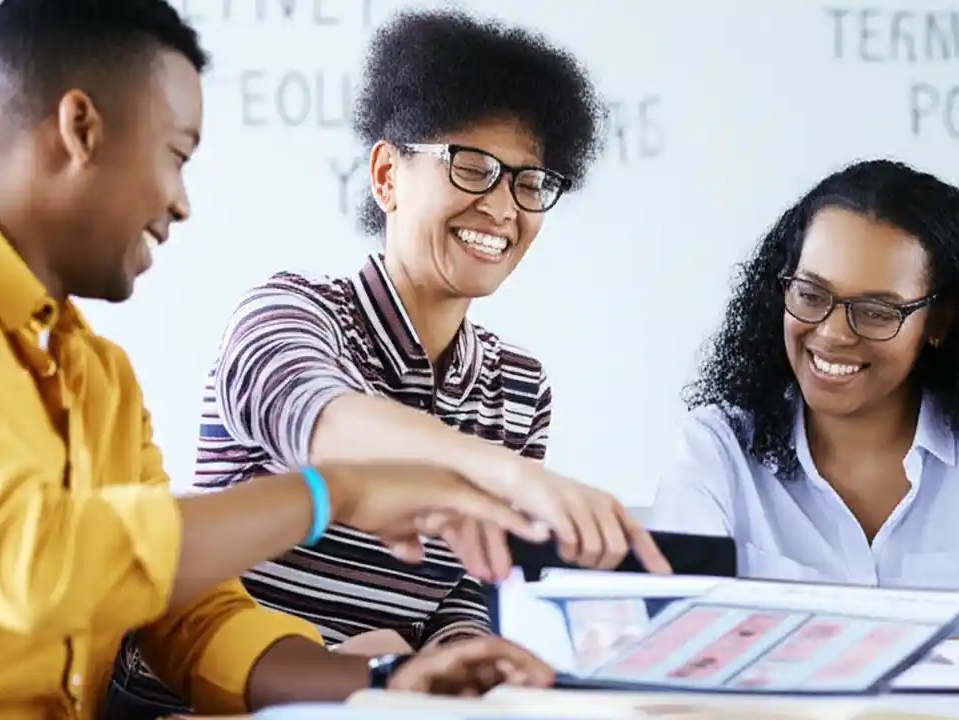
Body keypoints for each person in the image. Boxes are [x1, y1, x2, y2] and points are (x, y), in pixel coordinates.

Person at [0, 2, 578, 717]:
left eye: (526, 182)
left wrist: (389, 682)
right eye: (176, 155)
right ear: (81, 129)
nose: (181, 203)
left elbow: (186, 614)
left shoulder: (99, 377)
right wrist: (336, 492)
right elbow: (36, 559)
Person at [111, 8, 669, 711]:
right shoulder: (289, 313)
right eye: (473, 168)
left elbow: (465, 592)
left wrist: (461, 667)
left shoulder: (520, 387)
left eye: (530, 183)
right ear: (387, 175)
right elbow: (327, 424)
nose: (503, 207)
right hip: (206, 699)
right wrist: (500, 473)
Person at [650, 159, 959, 671]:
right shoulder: (718, 449)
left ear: (940, 322)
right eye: (811, 295)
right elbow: (669, 634)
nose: (833, 333)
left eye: (877, 311)